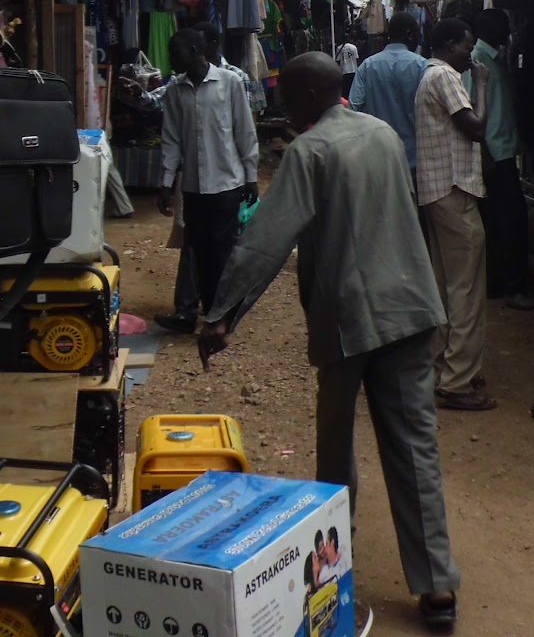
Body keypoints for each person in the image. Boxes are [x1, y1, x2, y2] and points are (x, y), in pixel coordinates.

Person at [198, 52, 461, 631]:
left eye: (289, 98)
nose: (285, 110)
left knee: (335, 450)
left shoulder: (310, 151)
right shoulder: (384, 134)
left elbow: (267, 239)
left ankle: (333, 568)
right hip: (412, 308)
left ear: (313, 92)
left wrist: (221, 313)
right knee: (416, 449)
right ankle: (438, 586)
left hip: (348, 319)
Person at [151, 22, 259, 333]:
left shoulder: (229, 83)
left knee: (221, 252)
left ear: (196, 51)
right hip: (194, 186)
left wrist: (250, 175)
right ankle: (202, 314)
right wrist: (166, 182)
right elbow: (171, 139)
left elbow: (244, 131)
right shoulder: (175, 90)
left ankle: (220, 314)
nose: (171, 59)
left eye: (176, 52)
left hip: (227, 182)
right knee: (199, 250)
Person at [415, 17, 493, 412]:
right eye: (467, 46)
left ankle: (444, 367)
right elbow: (477, 128)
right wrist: (481, 84)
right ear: (448, 45)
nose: (471, 55)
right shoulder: (445, 76)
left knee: (447, 285)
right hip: (454, 189)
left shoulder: (432, 74)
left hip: (438, 190)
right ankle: (458, 380)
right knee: (464, 289)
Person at [467, 9, 534, 310]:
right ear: (496, 30)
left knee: (496, 221)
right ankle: (512, 286)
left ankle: (496, 283)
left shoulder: (489, 59)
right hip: (496, 154)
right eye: (506, 25)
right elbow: (473, 109)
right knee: (510, 220)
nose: (510, 30)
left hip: (500, 150)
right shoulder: (480, 61)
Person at [349, 11, 428, 175]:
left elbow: (353, 109)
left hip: (377, 159)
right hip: (415, 160)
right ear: (410, 35)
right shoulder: (422, 66)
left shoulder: (367, 66)